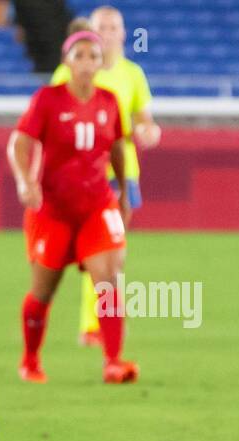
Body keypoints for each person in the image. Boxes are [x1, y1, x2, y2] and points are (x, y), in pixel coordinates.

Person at [7, 29, 138, 383]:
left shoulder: (109, 102)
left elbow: (117, 149)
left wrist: (124, 193)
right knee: (42, 292)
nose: (86, 63)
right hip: (52, 211)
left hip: (97, 206)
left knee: (109, 281)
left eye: (92, 56)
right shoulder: (48, 99)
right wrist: (24, 180)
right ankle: (30, 361)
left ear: (100, 62)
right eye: (79, 55)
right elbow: (19, 143)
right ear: (67, 60)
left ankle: (113, 362)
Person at [50, 6, 160, 344]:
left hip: (123, 174)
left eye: (114, 27)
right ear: (91, 33)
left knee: (108, 253)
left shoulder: (132, 74)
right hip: (84, 174)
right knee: (98, 252)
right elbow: (51, 116)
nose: (109, 32)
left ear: (123, 33)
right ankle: (96, 325)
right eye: (102, 27)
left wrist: (148, 131)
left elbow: (145, 120)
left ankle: (97, 325)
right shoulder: (69, 73)